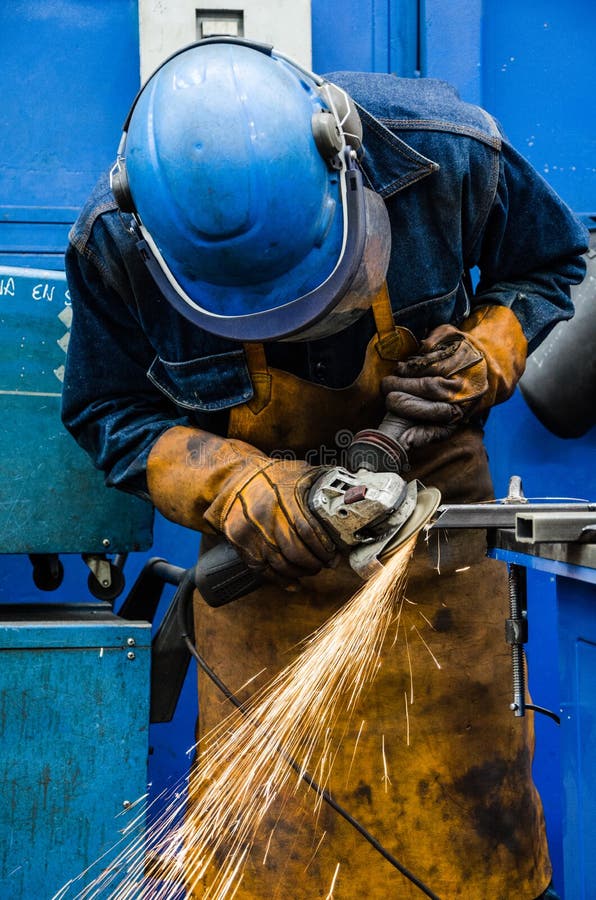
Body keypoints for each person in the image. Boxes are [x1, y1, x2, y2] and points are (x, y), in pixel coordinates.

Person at [62, 37, 587, 899]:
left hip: (437, 572)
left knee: (474, 853)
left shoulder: (441, 152)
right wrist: (233, 484)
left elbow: (553, 262)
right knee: (267, 868)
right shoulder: (117, 243)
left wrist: (491, 349)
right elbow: (105, 413)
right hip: (265, 581)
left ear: (339, 160)